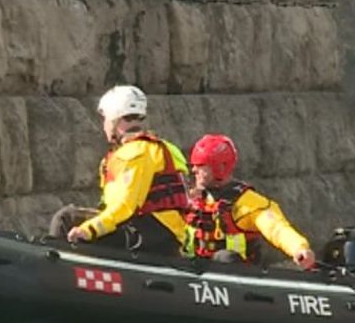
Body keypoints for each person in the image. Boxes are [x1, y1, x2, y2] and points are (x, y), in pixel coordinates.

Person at [55, 85, 190, 256]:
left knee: (65, 220)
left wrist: (89, 230)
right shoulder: (158, 147)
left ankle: (60, 271)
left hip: (154, 234)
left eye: (105, 119)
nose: (104, 125)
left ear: (115, 118)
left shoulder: (135, 152)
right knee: (70, 217)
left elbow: (125, 206)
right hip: (157, 230)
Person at [184, 134, 317, 269]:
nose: (194, 170)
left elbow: (276, 228)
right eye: (194, 165)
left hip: (235, 275)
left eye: (201, 166)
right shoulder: (194, 197)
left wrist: (298, 248)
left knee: (224, 257)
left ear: (220, 168)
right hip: (196, 270)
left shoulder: (246, 202)